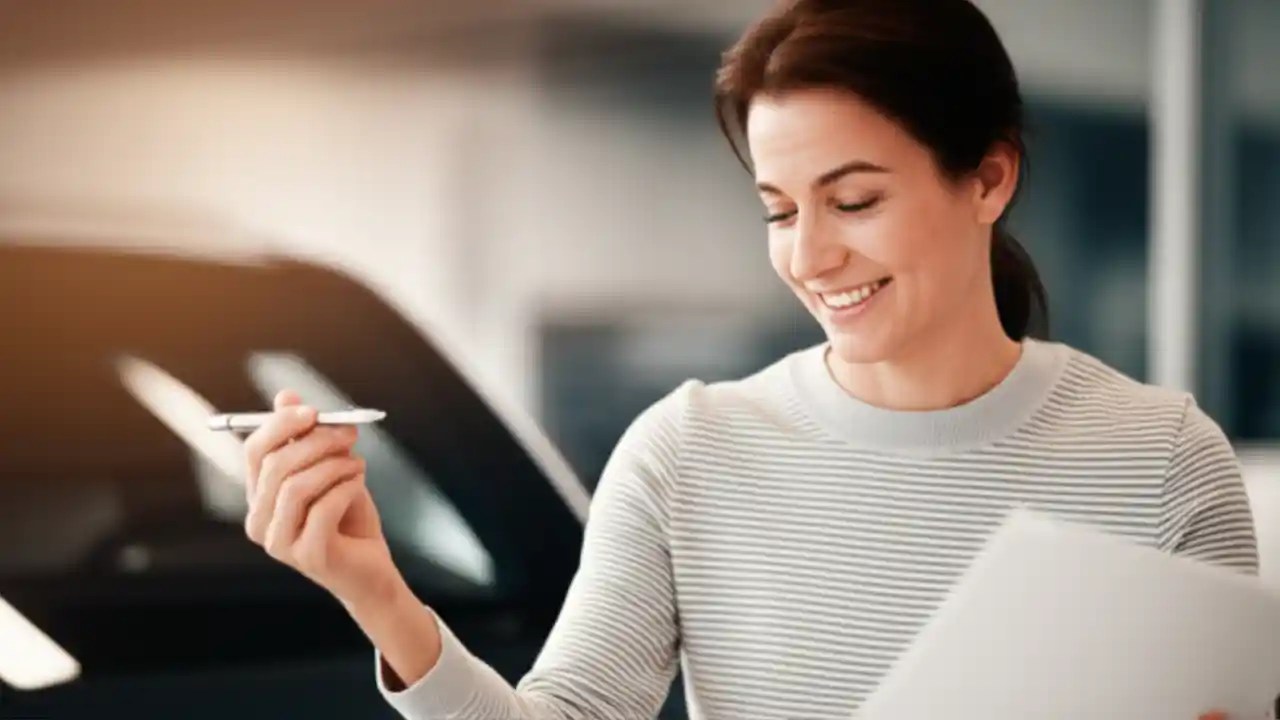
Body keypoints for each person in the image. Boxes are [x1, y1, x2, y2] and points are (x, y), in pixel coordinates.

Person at [240, 1, 1260, 718]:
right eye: (778, 209)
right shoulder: (689, 452)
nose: (810, 256)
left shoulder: (1160, 458)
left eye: (853, 201)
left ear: (987, 177)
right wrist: (376, 594)